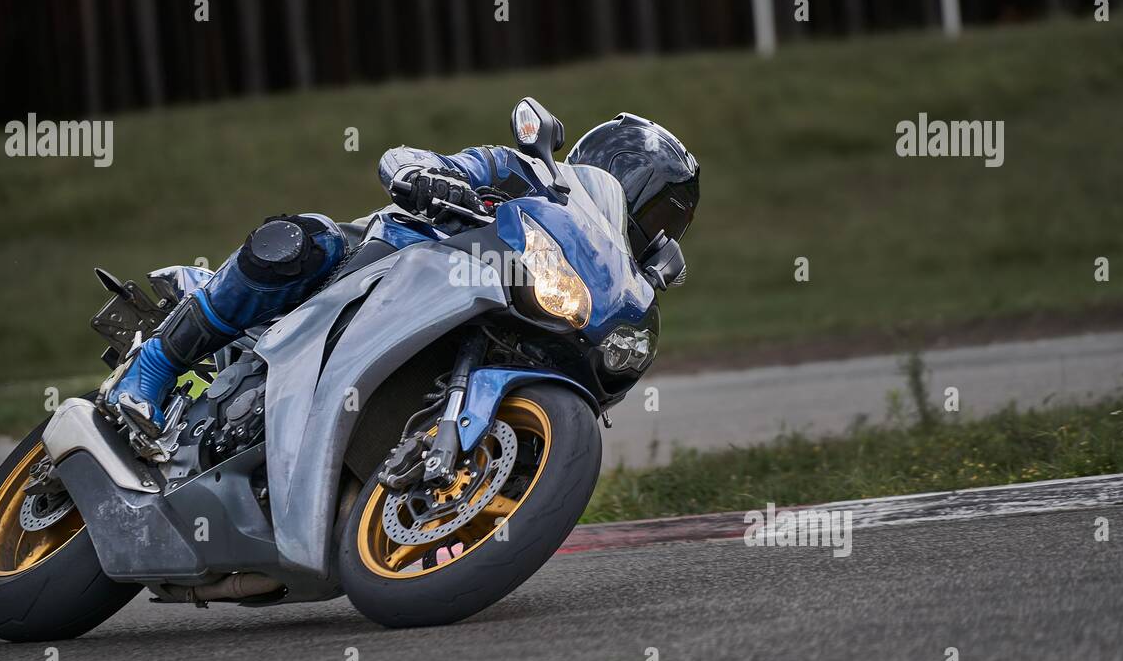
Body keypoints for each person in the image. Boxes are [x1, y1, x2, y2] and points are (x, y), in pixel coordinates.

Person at [104, 112, 700, 436]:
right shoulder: (526, 172)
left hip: (484, 318)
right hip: (388, 263)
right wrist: (426, 176)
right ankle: (153, 368)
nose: (649, 222)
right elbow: (414, 160)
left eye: (664, 219)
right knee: (298, 241)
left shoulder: (609, 279)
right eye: (649, 203)